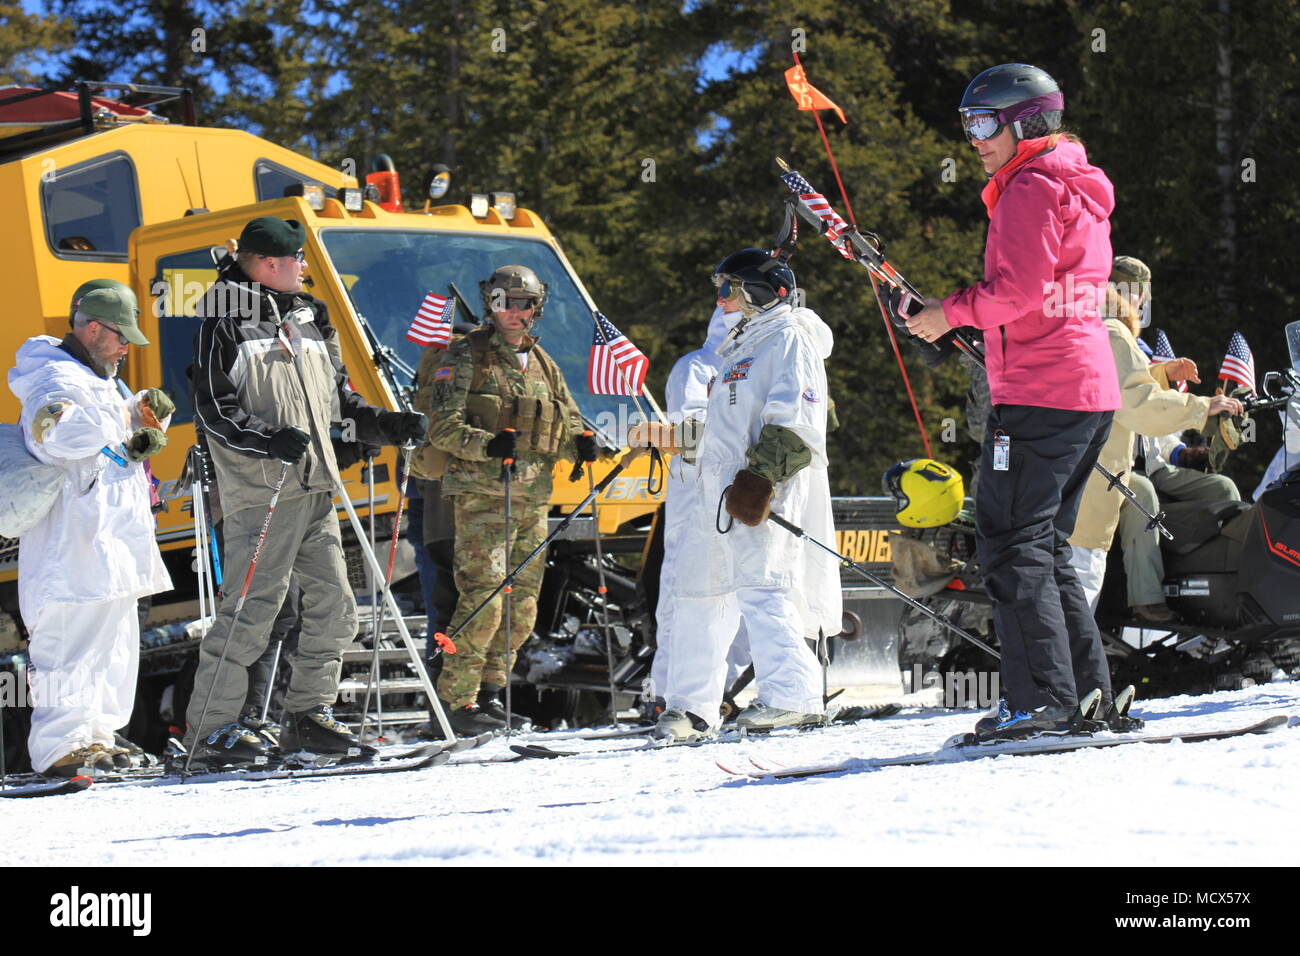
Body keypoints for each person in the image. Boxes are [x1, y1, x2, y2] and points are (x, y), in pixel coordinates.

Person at [904, 63, 1124, 739]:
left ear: (1026, 122)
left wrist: (951, 312)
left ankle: (1041, 700)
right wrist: (959, 315)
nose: (973, 139)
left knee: (1010, 543)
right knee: (1044, 545)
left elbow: (1017, 291)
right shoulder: (1074, 184)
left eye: (983, 124)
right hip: (1084, 391)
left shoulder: (1031, 187)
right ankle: (1084, 696)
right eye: (967, 125)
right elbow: (1043, 294)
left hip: (1041, 393)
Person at [185, 216, 425, 766]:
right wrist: (268, 440)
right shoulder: (223, 321)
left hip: (316, 484)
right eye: (297, 258)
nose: (304, 267)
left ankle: (308, 717)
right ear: (269, 264)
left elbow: (340, 403)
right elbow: (214, 411)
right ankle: (209, 732)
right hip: (260, 491)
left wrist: (385, 426)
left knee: (337, 606)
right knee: (251, 612)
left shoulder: (307, 316)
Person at [637, 248, 841, 742]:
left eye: (727, 287)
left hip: (761, 490)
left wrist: (760, 480)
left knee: (762, 586)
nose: (720, 298)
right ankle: (692, 708)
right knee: (698, 592)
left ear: (756, 291)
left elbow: (797, 419)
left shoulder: (790, 339)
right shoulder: (738, 349)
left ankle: (792, 695)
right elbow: (723, 430)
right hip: (716, 492)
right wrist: (673, 438)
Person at [415, 264, 591, 735]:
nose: (516, 312)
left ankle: (490, 695)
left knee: (522, 606)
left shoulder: (542, 362)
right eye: (505, 302)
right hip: (481, 497)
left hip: (531, 498)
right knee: (484, 600)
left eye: (526, 303)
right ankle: (456, 703)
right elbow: (442, 425)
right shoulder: (466, 356)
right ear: (491, 304)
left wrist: (583, 442)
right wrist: (486, 444)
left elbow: (567, 418)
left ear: (538, 307)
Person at [9, 279, 173, 777]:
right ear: (93, 328)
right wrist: (127, 420)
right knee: (68, 649)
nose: (127, 346)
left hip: (110, 544)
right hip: (72, 548)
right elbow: (56, 436)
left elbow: (103, 454)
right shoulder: (52, 379)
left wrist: (138, 429)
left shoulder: (100, 379)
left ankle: (99, 738)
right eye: (120, 335)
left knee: (114, 647)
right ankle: (61, 748)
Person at [1068, 257, 1243, 623]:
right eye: (1134, 294)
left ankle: (1213, 579)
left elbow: (1130, 385)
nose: (1139, 303)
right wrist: (1203, 407)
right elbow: (1136, 402)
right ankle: (1146, 599)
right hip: (1098, 476)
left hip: (1098, 468)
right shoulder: (1113, 332)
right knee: (1077, 598)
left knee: (1221, 487)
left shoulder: (1093, 325)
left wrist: (1162, 374)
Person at [649, 294, 745, 713]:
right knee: (682, 594)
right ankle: (667, 693)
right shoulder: (696, 367)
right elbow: (686, 430)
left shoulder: (763, 364)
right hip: (696, 497)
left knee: (744, 593)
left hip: (743, 494)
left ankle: (729, 691)